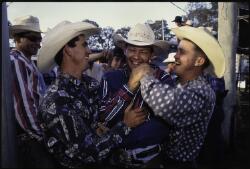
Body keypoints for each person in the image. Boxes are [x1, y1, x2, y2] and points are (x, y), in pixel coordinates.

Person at [37, 21, 147, 168]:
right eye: (84, 45)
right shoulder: (56, 100)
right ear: (68, 50)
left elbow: (104, 118)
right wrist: (125, 125)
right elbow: (87, 153)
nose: (89, 51)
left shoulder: (89, 84)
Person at [129, 26, 226, 168]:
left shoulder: (202, 92)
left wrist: (145, 74)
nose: (175, 56)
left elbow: (165, 104)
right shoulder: (174, 82)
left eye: (182, 52)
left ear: (199, 61)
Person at [99, 23, 174, 168]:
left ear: (152, 55)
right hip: (114, 161)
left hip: (151, 160)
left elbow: (166, 123)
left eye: (143, 52)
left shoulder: (163, 79)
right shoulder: (110, 77)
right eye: (132, 50)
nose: (136, 56)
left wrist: (121, 129)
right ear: (125, 50)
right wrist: (131, 85)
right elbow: (103, 117)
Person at [9, 15, 54, 168]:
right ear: (18, 38)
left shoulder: (27, 62)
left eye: (39, 39)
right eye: (33, 38)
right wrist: (41, 135)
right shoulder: (17, 61)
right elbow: (23, 104)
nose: (38, 43)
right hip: (30, 138)